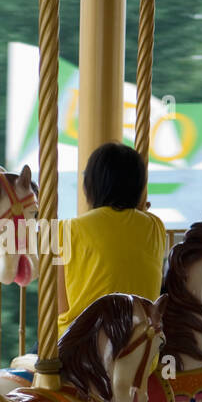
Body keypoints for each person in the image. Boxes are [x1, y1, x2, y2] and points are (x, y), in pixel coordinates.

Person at [56, 141, 167, 334]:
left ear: (89, 186)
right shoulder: (156, 226)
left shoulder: (67, 229)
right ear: (139, 186)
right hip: (144, 349)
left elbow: (60, 306)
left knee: (27, 358)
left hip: (85, 350)